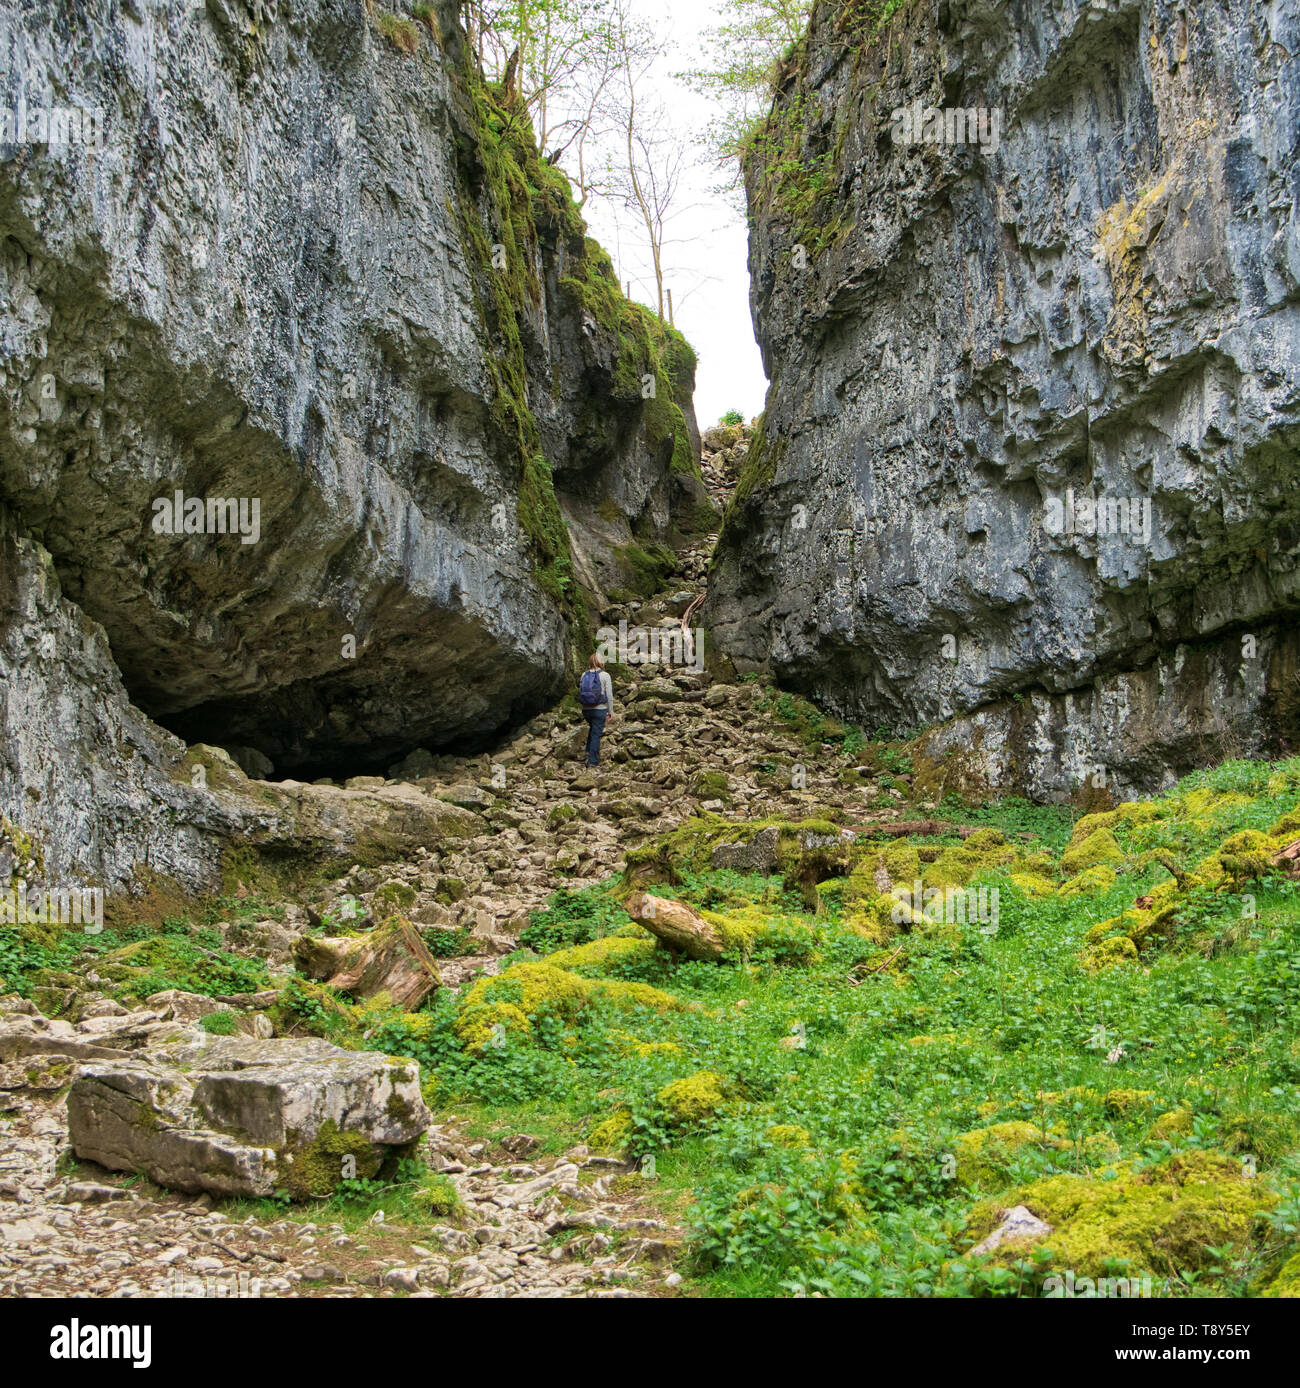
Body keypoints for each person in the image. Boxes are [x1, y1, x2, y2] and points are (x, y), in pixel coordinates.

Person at [578, 653, 615, 766]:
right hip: (599, 709)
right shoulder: (605, 675)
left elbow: (581, 691)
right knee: (596, 734)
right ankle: (592, 761)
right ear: (600, 662)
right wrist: (610, 712)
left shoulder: (584, 674)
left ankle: (587, 753)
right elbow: (609, 695)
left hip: (586, 710)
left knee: (593, 729)